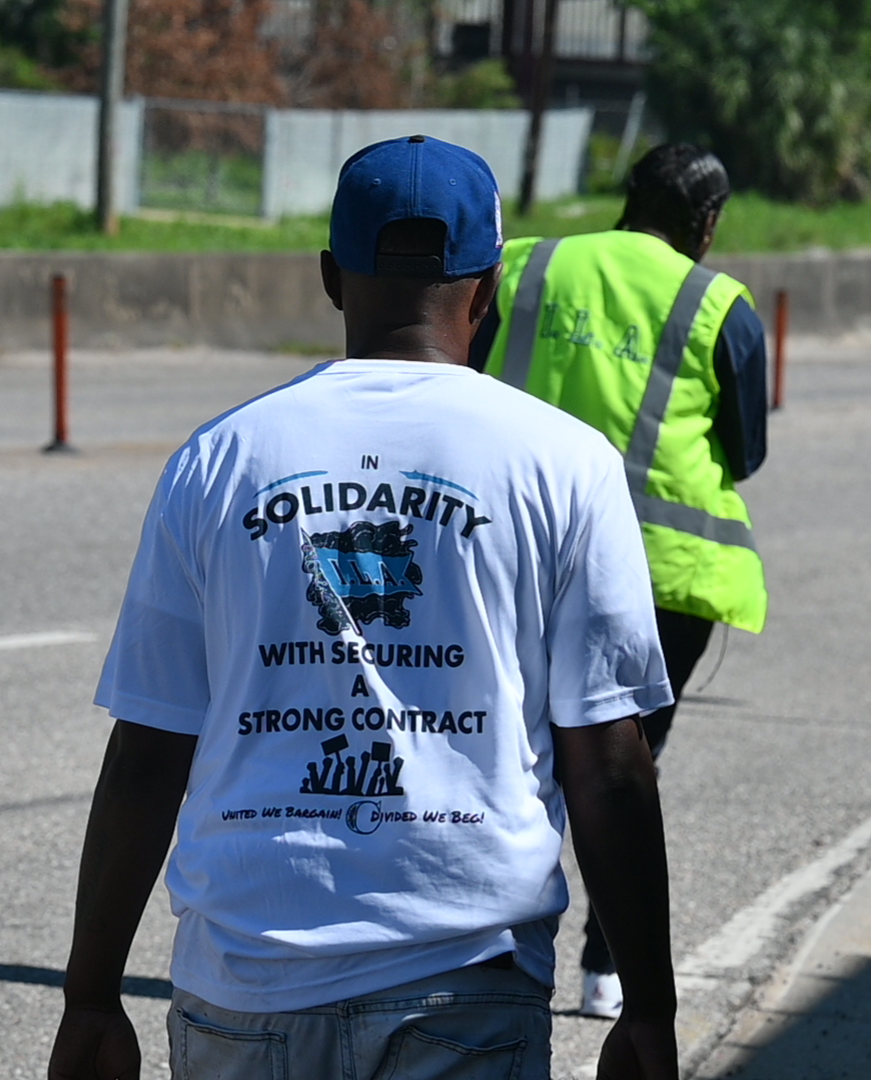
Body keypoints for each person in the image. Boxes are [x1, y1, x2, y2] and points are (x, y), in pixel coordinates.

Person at [47, 134, 682, 1080]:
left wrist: (92, 997)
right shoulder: (565, 463)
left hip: (246, 984)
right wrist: (649, 1012)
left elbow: (147, 751)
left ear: (331, 278)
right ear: (489, 287)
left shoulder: (219, 459)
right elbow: (611, 767)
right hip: (466, 981)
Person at [470, 143, 769, 1021]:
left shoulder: (526, 265)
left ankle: (482, 950)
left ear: (627, 199)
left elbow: (460, 372)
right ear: (707, 224)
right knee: (624, 772)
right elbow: (746, 452)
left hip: (515, 554)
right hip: (658, 577)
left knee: (501, 754)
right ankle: (605, 969)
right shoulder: (719, 306)